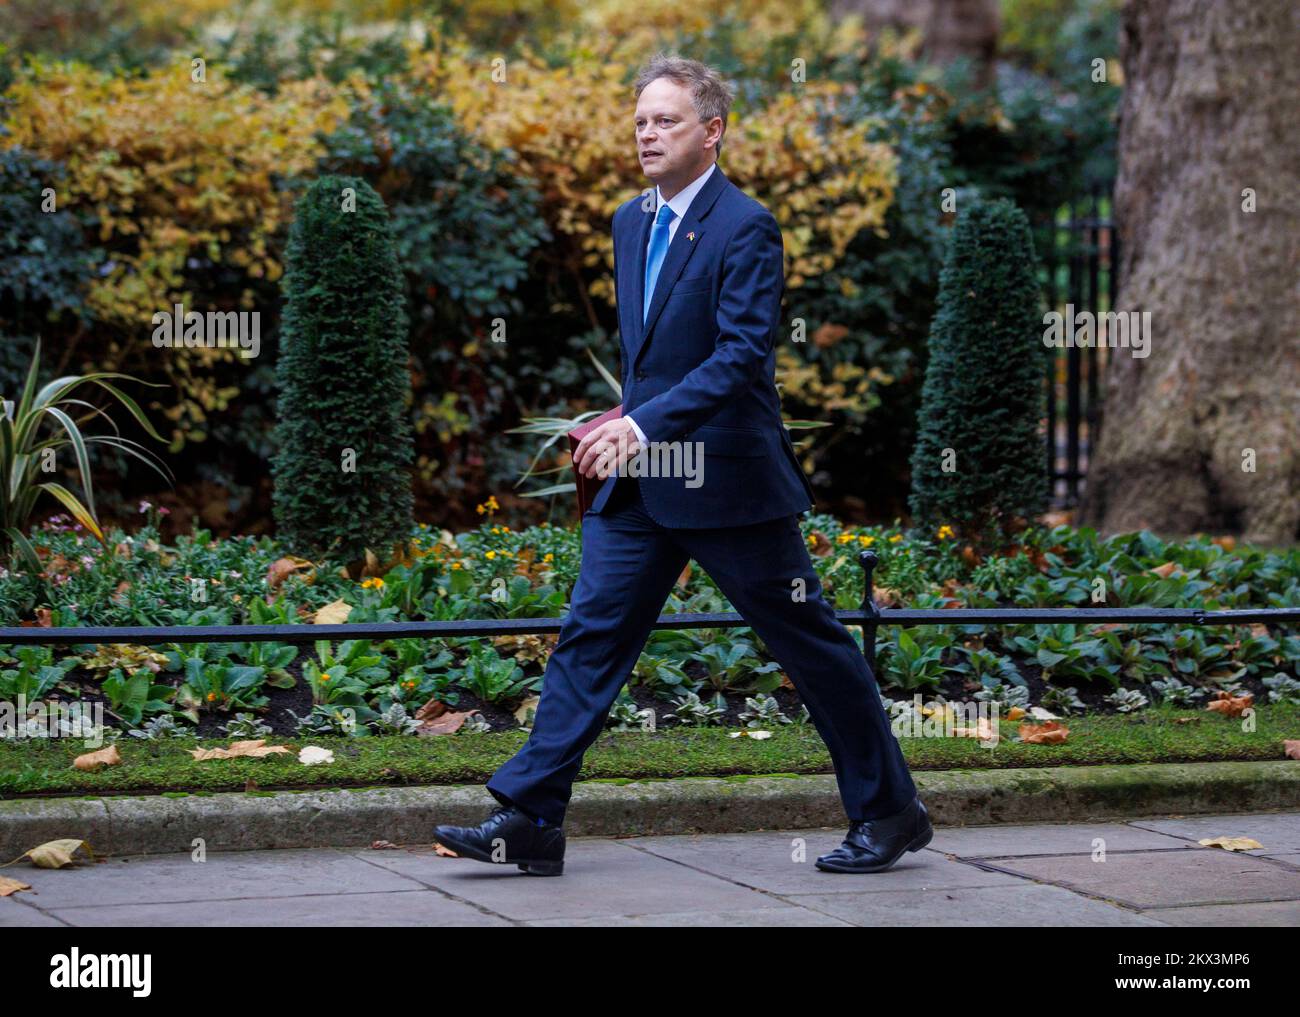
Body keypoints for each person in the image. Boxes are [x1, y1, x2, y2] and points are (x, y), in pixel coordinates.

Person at [432, 53, 930, 877]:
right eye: (639, 123)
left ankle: (891, 810)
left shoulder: (746, 226)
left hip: (728, 482)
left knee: (811, 647)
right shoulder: (632, 221)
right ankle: (528, 818)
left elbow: (740, 358)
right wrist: (626, 426)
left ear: (713, 130)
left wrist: (645, 422)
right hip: (640, 483)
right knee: (589, 637)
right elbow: (651, 360)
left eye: (665, 120)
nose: (647, 135)